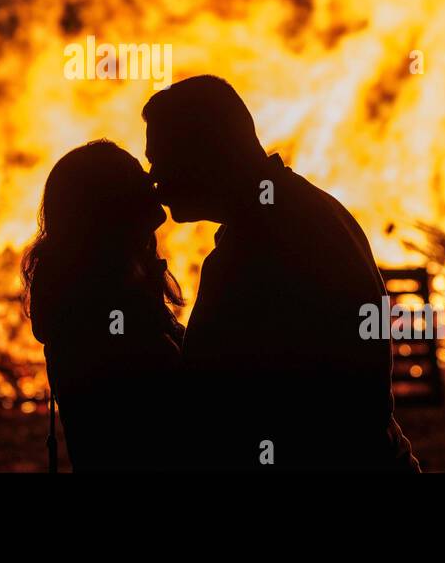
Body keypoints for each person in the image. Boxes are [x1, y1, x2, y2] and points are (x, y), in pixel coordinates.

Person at [142, 75, 418, 471]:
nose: (154, 178)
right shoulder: (308, 208)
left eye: (160, 160)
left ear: (204, 153)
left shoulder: (253, 249)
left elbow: (205, 404)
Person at [22, 140, 185, 471]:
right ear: (109, 201)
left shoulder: (112, 285)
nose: (151, 179)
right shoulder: (103, 305)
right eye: (137, 174)